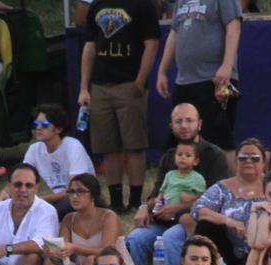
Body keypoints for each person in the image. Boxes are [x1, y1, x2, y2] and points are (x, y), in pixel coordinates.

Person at [78, 0, 159, 212]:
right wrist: (84, 87)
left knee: (134, 145)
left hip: (129, 83)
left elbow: (151, 44)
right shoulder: (96, 5)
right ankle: (115, 201)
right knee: (108, 147)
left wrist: (140, 82)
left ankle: (134, 200)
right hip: (100, 85)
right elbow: (89, 45)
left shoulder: (143, 5)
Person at [127, 103, 229, 265]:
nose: (183, 125)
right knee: (135, 239)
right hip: (163, 220)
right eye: (178, 121)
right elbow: (156, 192)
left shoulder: (214, 155)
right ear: (171, 127)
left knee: (170, 239)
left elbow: (215, 201)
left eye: (189, 120)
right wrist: (145, 207)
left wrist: (177, 208)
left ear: (200, 124)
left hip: (194, 222)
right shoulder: (169, 157)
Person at [154, 0, 243, 150]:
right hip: (184, 81)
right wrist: (162, 71)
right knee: (182, 144)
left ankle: (225, 174)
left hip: (214, 79)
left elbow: (233, 26)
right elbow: (175, 32)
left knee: (219, 143)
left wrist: (227, 65)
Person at [189, 136, 267, 265]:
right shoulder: (223, 187)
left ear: (263, 163)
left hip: (261, 250)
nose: (248, 161)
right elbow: (198, 209)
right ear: (236, 161)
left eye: (255, 158)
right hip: (229, 249)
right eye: (243, 157)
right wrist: (229, 221)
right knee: (206, 224)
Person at [43, 174, 122, 265]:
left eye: (80, 191)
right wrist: (56, 252)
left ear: (93, 195)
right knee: (51, 263)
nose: (74, 196)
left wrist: (75, 248)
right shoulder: (68, 219)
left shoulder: (108, 216)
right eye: (71, 192)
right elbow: (65, 247)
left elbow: (107, 251)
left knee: (92, 260)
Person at [125, 140, 205, 265]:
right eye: (179, 154)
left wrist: (188, 199)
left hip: (183, 216)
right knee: (134, 238)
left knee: (170, 236)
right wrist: (157, 199)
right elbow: (162, 191)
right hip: (162, 215)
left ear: (195, 161)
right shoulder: (170, 175)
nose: (183, 157)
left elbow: (202, 198)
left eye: (187, 155)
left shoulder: (197, 179)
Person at [19, 104, 96, 218]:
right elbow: (21, 176)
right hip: (58, 200)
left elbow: (76, 189)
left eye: (44, 125)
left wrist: (42, 200)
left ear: (58, 129)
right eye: (36, 124)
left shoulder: (73, 147)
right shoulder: (34, 149)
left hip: (80, 198)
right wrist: (8, 192)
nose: (38, 128)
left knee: (46, 212)